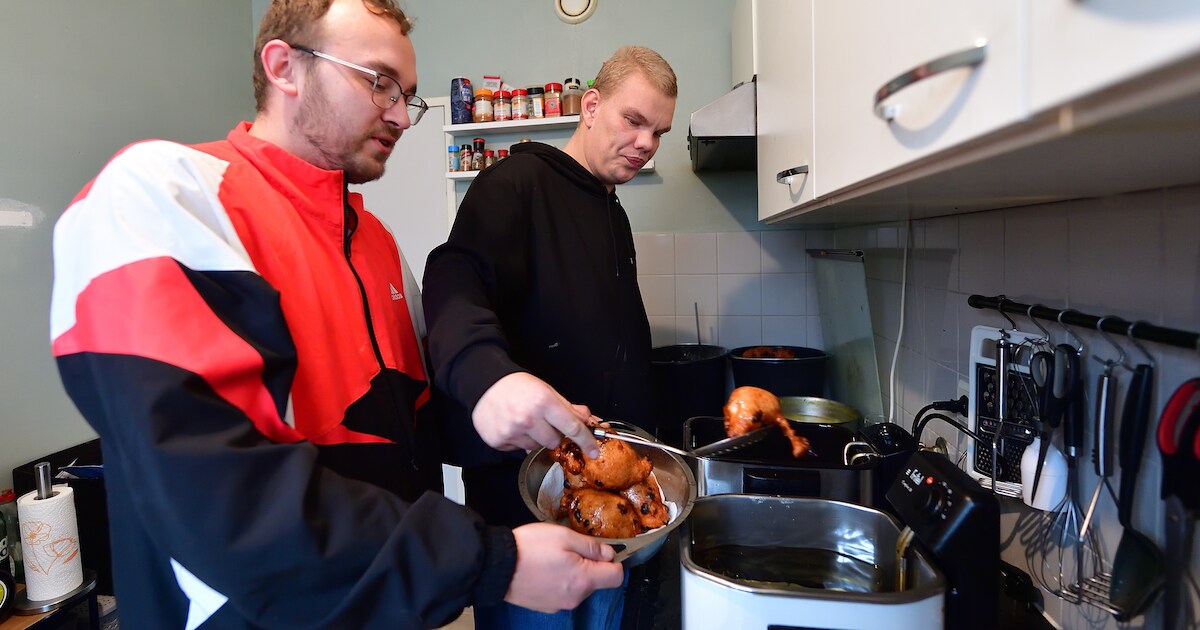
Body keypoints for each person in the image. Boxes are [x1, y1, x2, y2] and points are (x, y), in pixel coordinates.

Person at [48, 1, 622, 628]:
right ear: (284, 67)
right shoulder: (163, 197)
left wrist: (514, 423)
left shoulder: (375, 242)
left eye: (409, 95)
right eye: (378, 82)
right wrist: (490, 562)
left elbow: (400, 432)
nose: (401, 115)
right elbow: (228, 502)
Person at [422, 46, 678, 629]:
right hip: (528, 503)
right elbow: (452, 280)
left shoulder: (612, 209)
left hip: (606, 495)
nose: (645, 143)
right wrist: (490, 379)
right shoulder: (513, 184)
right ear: (590, 106)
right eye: (632, 121)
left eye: (658, 132)